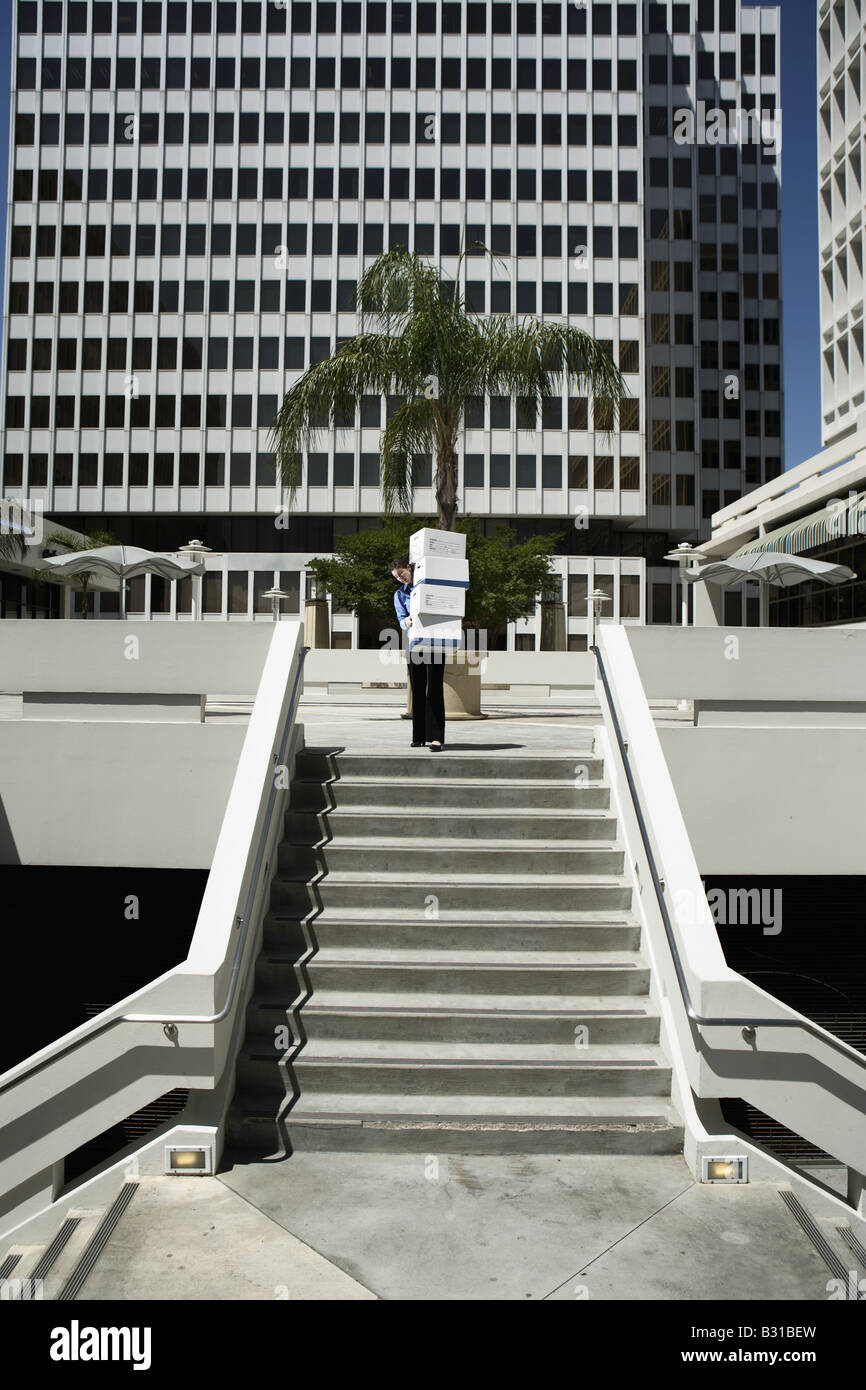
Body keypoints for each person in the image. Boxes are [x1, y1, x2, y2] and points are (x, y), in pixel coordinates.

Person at [390, 556, 446, 751]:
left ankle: (437, 738)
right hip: (414, 646)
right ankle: (419, 736)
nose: (400, 579)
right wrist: (407, 622)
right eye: (396, 577)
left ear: (409, 567)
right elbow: (400, 621)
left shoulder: (429, 587)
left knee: (435, 688)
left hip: (436, 643)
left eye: (401, 574)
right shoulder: (399, 595)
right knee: (418, 690)